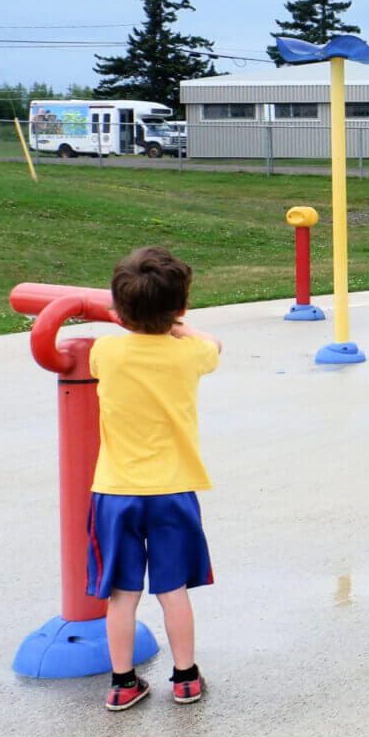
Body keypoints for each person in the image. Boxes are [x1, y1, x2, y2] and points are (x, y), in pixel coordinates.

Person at [87, 246, 221, 709]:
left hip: (116, 492)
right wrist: (179, 327)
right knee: (172, 589)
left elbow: (107, 352)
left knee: (122, 595)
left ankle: (122, 683)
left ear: (119, 310)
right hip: (172, 490)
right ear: (180, 309)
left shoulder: (105, 351)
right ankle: (185, 678)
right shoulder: (191, 355)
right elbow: (214, 345)